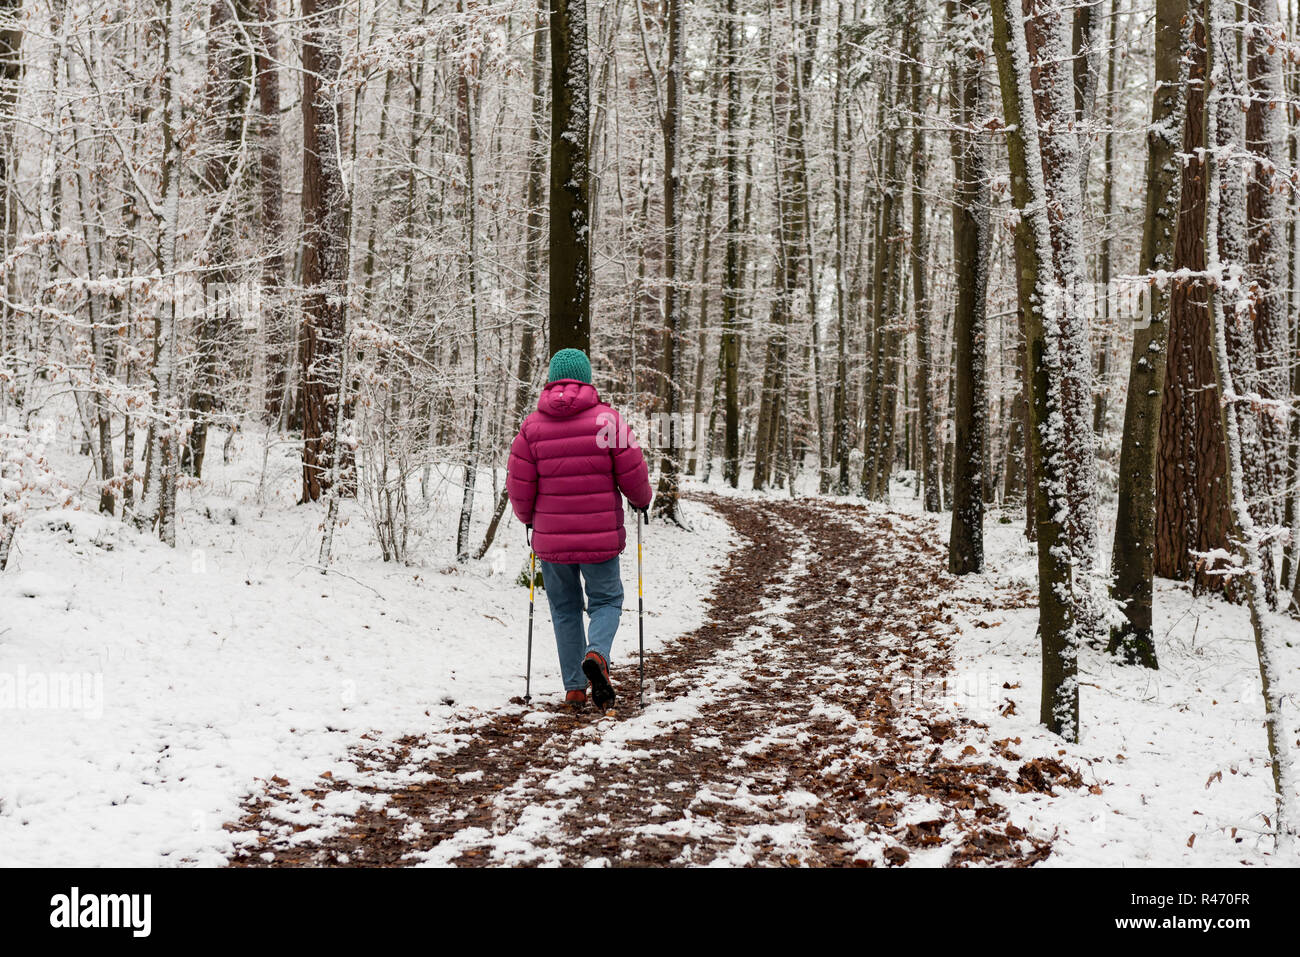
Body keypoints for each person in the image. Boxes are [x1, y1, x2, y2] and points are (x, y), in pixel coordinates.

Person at [506, 348, 653, 712]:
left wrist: (528, 519)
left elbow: (519, 484)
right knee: (606, 600)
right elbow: (633, 472)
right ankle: (597, 655)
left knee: (564, 608)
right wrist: (641, 501)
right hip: (599, 535)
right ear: (587, 379)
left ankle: (574, 688)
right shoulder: (608, 421)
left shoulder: (531, 428)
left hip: (551, 539)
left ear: (552, 380)